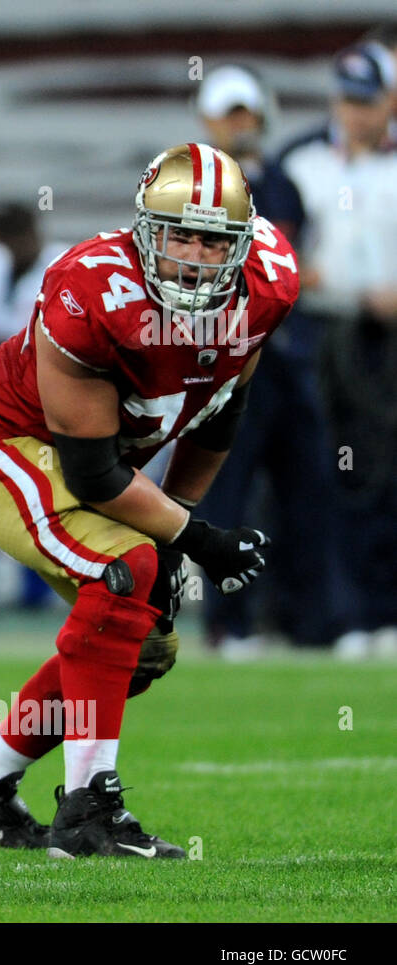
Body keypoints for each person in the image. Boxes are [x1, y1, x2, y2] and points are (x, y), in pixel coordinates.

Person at [0, 144, 299, 858]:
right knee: (123, 569)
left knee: (144, 644)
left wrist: (178, 522)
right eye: (177, 232)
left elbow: (219, 407)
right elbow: (92, 472)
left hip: (85, 459)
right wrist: (194, 536)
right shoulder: (88, 290)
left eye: (213, 237)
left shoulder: (270, 282)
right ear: (141, 228)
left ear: (244, 243)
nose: (193, 252)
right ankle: (88, 811)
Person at [189, 66, 347, 655]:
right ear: (207, 120)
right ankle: (228, 623)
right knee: (226, 494)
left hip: (286, 355)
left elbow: (296, 260)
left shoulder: (281, 180)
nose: (240, 126)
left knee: (307, 489)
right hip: (225, 362)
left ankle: (316, 624)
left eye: (246, 114)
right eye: (229, 115)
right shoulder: (191, 189)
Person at [277, 43, 397, 657]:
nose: (355, 113)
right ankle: (338, 615)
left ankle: (383, 611)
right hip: (320, 335)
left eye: (367, 101)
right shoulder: (301, 161)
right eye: (346, 100)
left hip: (388, 338)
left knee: (384, 473)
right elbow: (268, 242)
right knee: (328, 470)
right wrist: (298, 273)